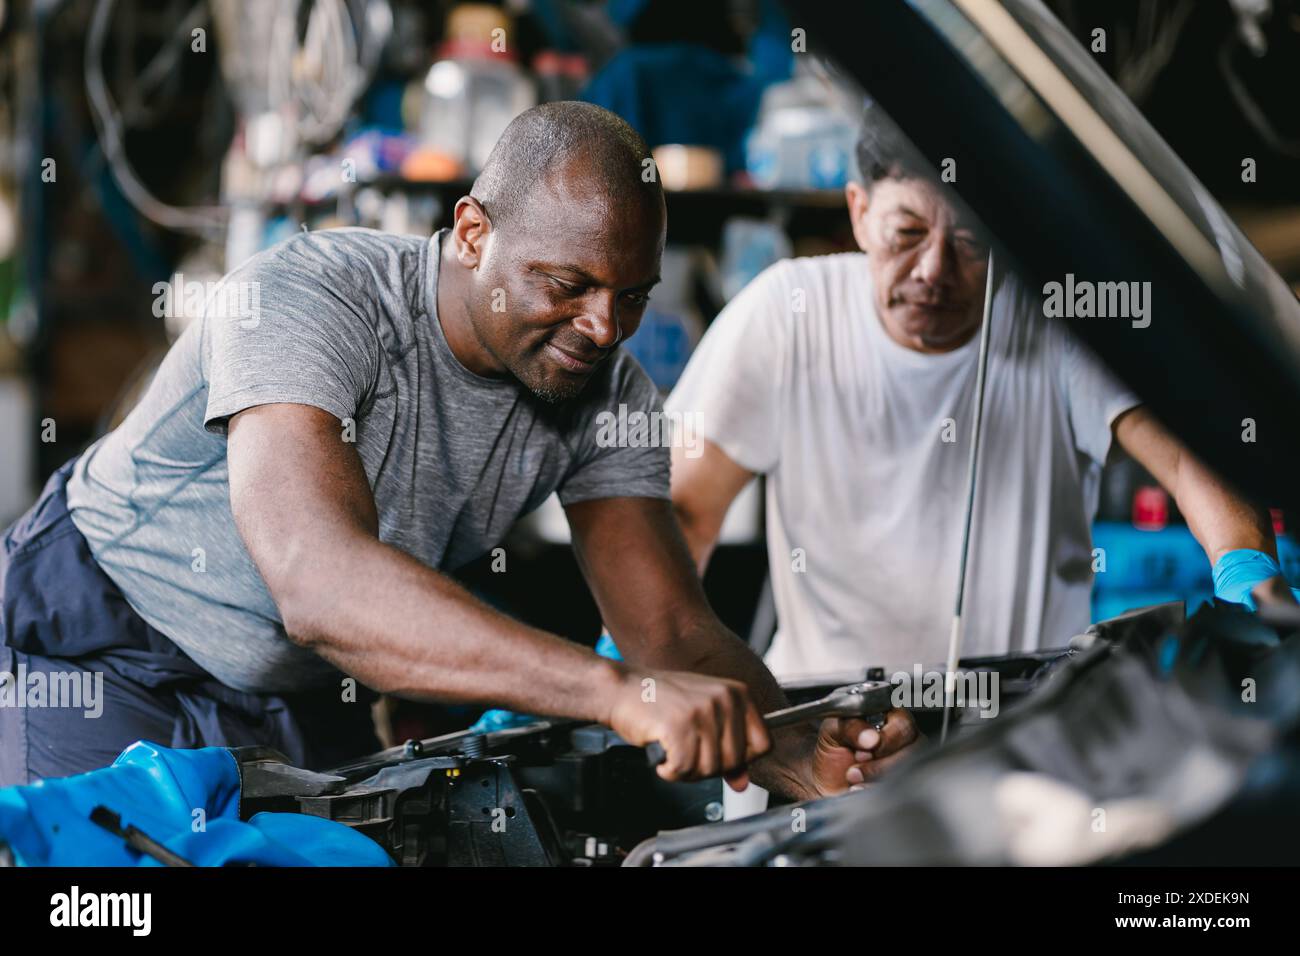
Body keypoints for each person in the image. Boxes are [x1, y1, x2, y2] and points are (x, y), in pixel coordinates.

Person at [0, 102, 907, 796]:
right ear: (473, 234)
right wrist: (616, 693)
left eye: (632, 294)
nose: (603, 326)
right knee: (108, 882)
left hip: (301, 691)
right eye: (568, 284)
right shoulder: (313, 299)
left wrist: (787, 738)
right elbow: (319, 583)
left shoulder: (604, 389)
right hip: (106, 641)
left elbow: (668, 628)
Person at [667, 101, 1293, 685]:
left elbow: (1189, 452)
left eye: (969, 241)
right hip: (821, 719)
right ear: (859, 213)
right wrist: (646, 639)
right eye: (906, 233)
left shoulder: (1057, 319)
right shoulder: (787, 311)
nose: (934, 269)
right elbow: (684, 507)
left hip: (1020, 722)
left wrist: (1246, 572)